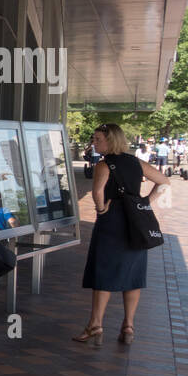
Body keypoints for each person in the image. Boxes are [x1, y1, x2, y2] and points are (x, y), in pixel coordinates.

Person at [75, 123, 170, 346]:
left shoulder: (104, 164)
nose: (94, 143)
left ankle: (95, 325)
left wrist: (100, 209)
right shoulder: (136, 162)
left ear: (111, 140)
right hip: (136, 221)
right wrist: (145, 202)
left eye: (98, 139)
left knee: (104, 272)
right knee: (133, 274)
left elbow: (98, 192)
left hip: (112, 221)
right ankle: (128, 326)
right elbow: (164, 181)